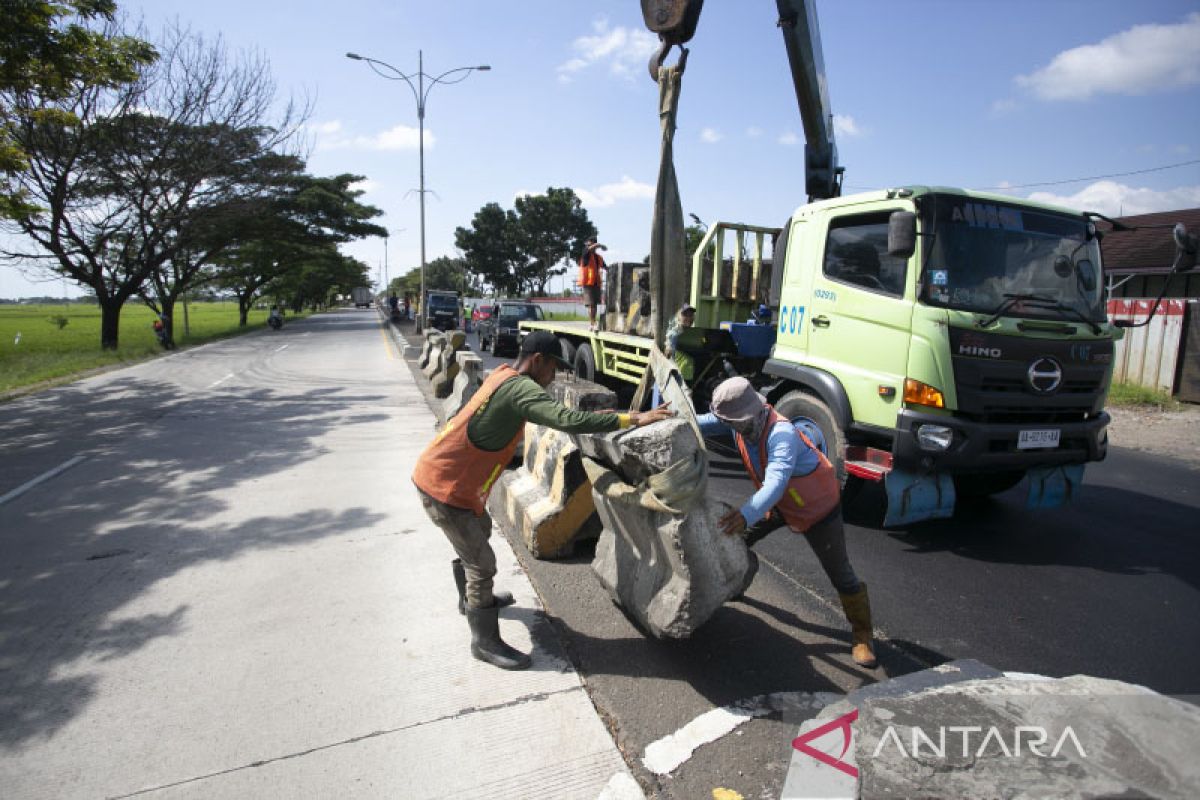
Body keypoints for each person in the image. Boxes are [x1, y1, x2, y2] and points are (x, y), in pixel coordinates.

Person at [412, 330, 674, 670]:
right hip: (444, 488)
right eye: (553, 367)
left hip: (446, 479)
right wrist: (630, 418)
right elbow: (569, 420)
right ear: (538, 361)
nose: (554, 376)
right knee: (482, 564)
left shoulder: (503, 375)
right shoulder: (522, 389)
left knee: (478, 530)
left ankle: (472, 600)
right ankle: (484, 640)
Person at [698, 377, 878, 668]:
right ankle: (739, 580)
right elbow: (701, 421)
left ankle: (862, 635)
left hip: (816, 509)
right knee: (734, 539)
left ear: (750, 414)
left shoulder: (781, 434)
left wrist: (746, 514)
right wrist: (663, 418)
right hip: (779, 505)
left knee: (841, 573)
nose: (729, 428)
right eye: (726, 422)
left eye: (732, 422)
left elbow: (776, 482)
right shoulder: (738, 423)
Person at [579, 236, 607, 332]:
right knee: (591, 304)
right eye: (590, 244)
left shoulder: (598, 257)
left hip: (596, 283)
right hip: (587, 283)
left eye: (590, 243)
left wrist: (610, 269)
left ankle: (592, 323)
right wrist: (599, 245)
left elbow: (605, 266)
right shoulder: (585, 253)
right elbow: (588, 249)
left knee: (594, 304)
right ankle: (593, 323)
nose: (589, 245)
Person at [664, 304, 696, 380]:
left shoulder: (694, 334)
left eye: (690, 315)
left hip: (689, 376)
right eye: (685, 314)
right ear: (678, 317)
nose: (688, 317)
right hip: (676, 377)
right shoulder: (673, 334)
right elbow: (669, 353)